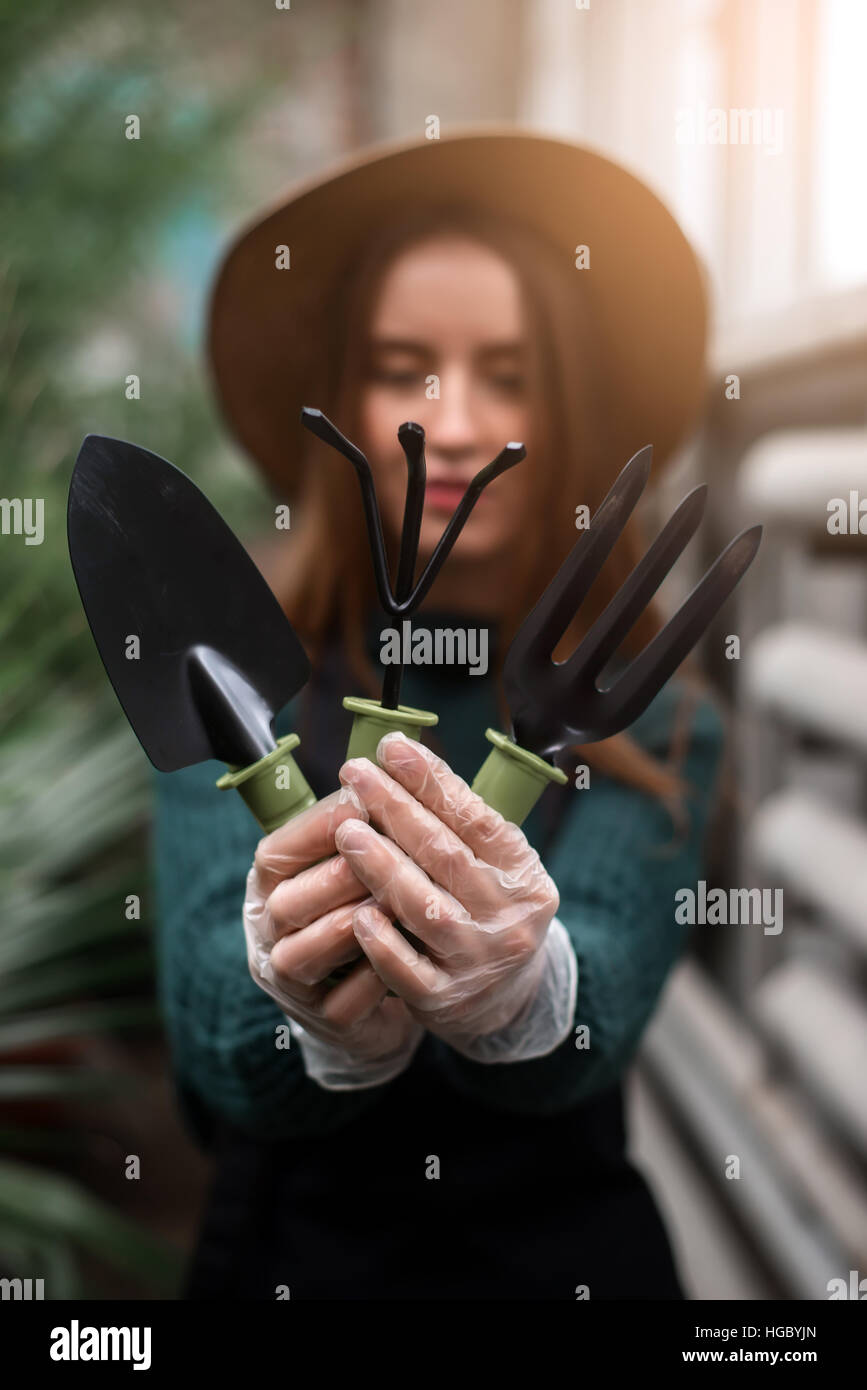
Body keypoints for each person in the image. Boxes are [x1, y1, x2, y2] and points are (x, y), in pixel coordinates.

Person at [153, 129, 724, 1300]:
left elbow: (600, 1001)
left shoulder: (649, 716)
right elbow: (212, 1010)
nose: (453, 424)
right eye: (406, 366)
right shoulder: (231, 683)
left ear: (563, 400)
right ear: (341, 398)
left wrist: (526, 992)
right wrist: (305, 1012)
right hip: (290, 1264)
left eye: (506, 374)